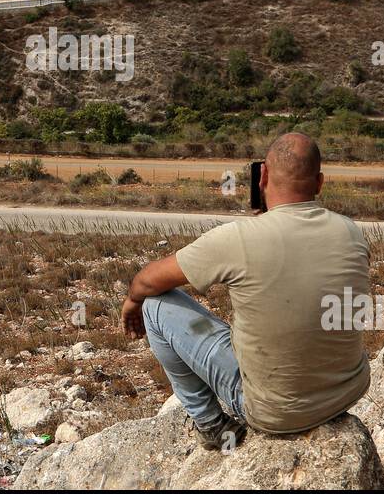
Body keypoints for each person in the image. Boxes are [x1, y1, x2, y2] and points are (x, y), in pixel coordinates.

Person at [120, 132, 371, 450]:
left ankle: (211, 424)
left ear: (263, 176)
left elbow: (147, 281)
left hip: (274, 413)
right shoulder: (350, 231)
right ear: (319, 183)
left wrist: (132, 301)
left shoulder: (238, 238)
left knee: (154, 305)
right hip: (347, 393)